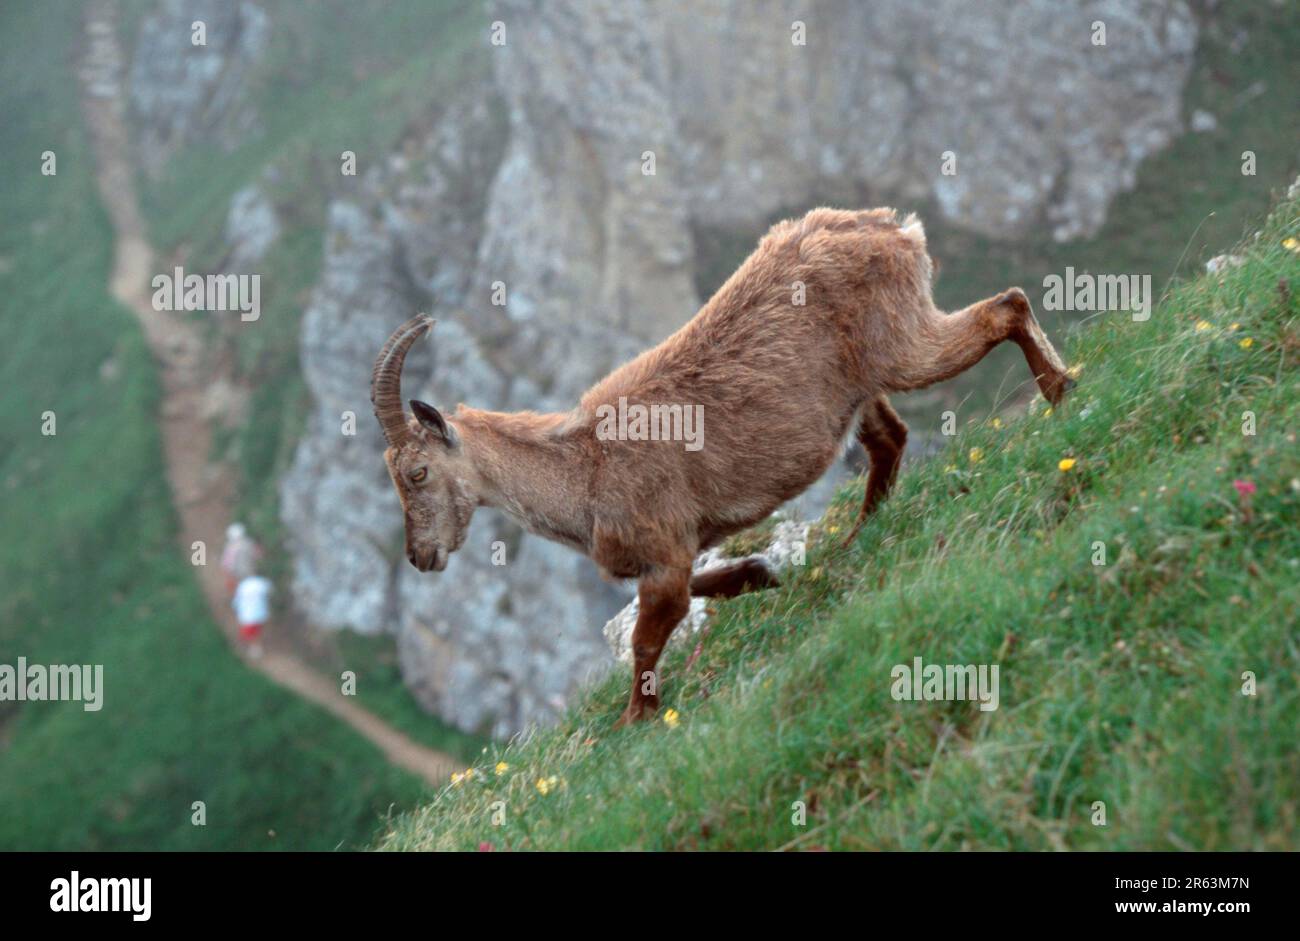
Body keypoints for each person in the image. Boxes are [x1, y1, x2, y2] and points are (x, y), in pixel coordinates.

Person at [231, 574, 273, 660]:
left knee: (250, 633)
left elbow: (237, 600)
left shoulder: (243, 586)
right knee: (257, 630)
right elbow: (270, 590)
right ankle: (256, 647)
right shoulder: (261, 583)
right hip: (260, 613)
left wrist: (235, 608)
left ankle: (255, 648)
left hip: (248, 615)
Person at [220, 523, 261, 596]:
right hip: (249, 575)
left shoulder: (230, 547)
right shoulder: (248, 543)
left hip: (240, 577)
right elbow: (258, 555)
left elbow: (226, 565)